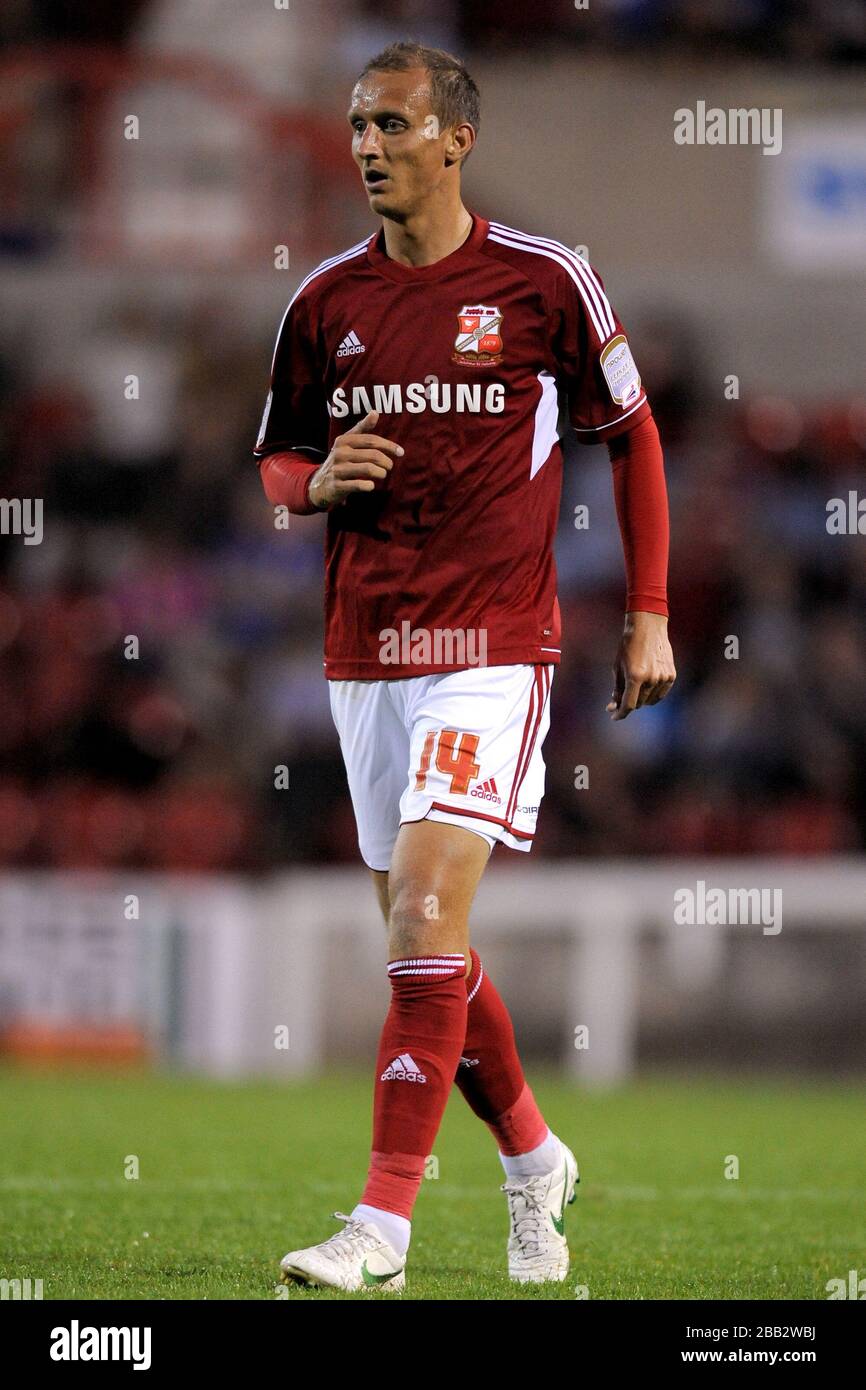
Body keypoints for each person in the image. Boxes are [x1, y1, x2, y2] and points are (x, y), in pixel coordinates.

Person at [255, 40, 675, 1293]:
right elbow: (277, 459)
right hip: (364, 649)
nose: (368, 147)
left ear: (455, 138)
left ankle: (379, 1226)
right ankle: (535, 1156)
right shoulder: (324, 302)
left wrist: (648, 611)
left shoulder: (545, 281)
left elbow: (633, 433)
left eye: (390, 124)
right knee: (419, 938)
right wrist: (312, 484)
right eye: (354, 126)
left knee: (427, 911)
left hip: (490, 646)